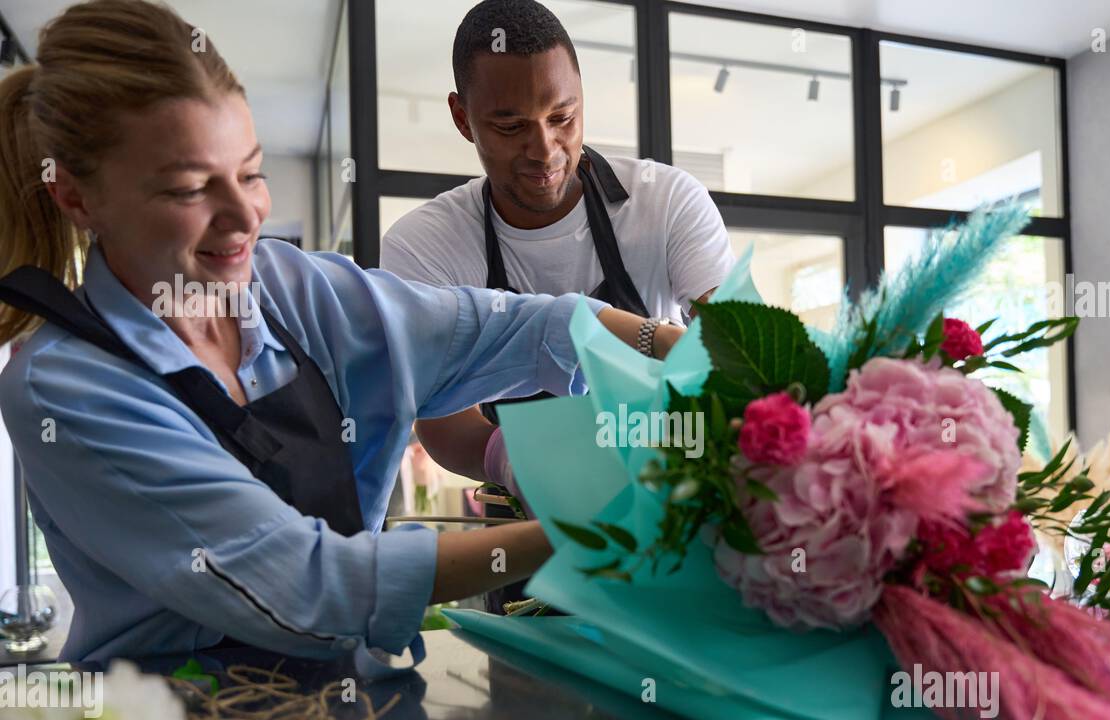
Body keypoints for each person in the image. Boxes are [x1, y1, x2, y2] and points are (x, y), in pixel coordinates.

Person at [0, 0, 680, 664]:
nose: (244, 217)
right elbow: (310, 583)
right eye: (188, 189)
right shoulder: (67, 387)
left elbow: (526, 327)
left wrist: (688, 354)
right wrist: (599, 529)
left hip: (349, 711)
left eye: (251, 173)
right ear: (77, 197)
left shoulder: (293, 291)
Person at [382, 0, 735, 610]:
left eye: (562, 117)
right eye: (511, 126)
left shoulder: (666, 203)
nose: (545, 150)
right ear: (463, 119)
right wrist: (512, 459)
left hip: (674, 525)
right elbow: (435, 417)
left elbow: (733, 355)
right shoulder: (425, 246)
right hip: (525, 541)